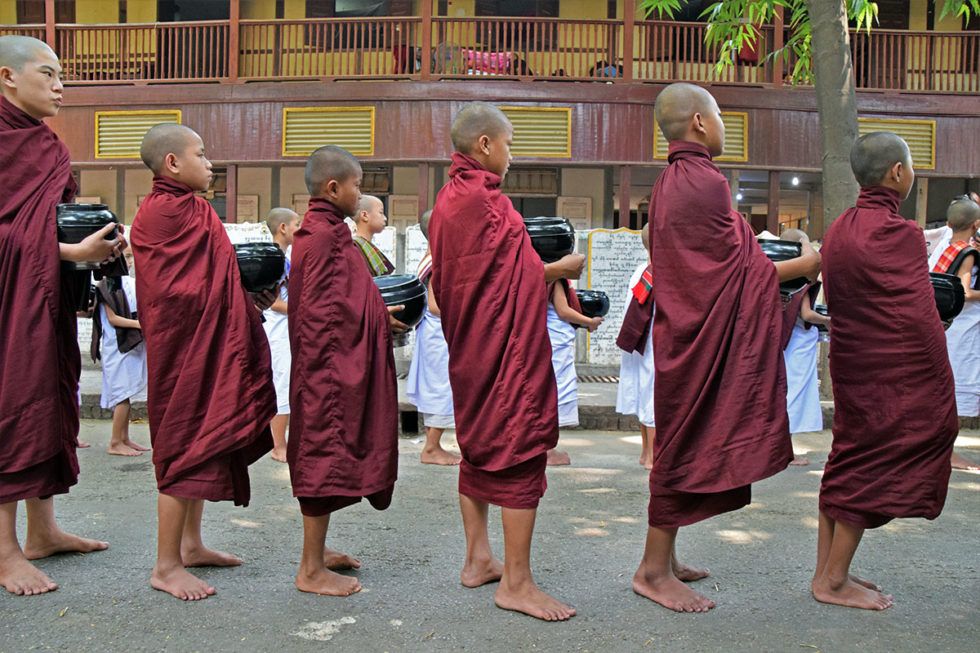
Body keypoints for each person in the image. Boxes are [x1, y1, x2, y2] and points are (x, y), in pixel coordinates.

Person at [632, 83, 821, 613]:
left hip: (688, 332)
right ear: (697, 121)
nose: (721, 124)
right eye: (717, 114)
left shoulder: (671, 181)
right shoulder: (704, 183)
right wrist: (805, 267)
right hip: (698, 338)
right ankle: (651, 569)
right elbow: (739, 275)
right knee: (683, 443)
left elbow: (698, 259)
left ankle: (664, 558)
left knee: (683, 439)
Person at [430, 102, 585, 621]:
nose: (513, 154)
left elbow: (467, 281)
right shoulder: (486, 202)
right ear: (485, 146)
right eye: (511, 143)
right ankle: (516, 583)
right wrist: (560, 267)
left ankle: (478, 559)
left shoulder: (450, 197)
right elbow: (510, 280)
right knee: (519, 451)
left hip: (472, 347)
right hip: (504, 351)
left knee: (478, 446)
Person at [130, 123, 278, 601]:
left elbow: (214, 274)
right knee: (182, 444)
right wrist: (227, 294)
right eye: (201, 153)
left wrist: (243, 294)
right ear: (172, 163)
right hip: (184, 349)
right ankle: (165, 564)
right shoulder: (158, 214)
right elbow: (173, 293)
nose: (210, 162)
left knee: (202, 441)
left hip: (207, 341)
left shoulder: (194, 208)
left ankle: (190, 545)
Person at [814, 131, 959, 610]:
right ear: (898, 172)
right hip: (892, 371)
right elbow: (916, 314)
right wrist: (935, 378)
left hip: (853, 362)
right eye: (912, 165)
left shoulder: (840, 227)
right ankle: (834, 580)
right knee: (878, 457)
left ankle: (828, 573)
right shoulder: (899, 232)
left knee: (848, 456)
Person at [0, 35, 115, 596]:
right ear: (7, 78)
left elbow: (48, 221)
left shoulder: (48, 148)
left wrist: (89, 250)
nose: (60, 85)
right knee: (11, 407)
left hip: (41, 300)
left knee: (45, 401)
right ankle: (4, 552)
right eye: (48, 74)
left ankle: (42, 532)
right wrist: (68, 253)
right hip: (5, 306)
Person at [287, 145, 405, 597]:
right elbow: (322, 316)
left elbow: (346, 299)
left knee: (330, 455)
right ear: (333, 188)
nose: (361, 193)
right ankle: (310, 570)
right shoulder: (320, 237)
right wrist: (374, 316)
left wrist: (377, 311)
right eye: (357, 185)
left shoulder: (329, 232)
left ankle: (318, 553)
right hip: (326, 372)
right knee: (322, 453)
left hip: (330, 364)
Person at [406, 210, 461, 466]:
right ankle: (431, 447)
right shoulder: (438, 262)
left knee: (438, 388)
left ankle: (433, 444)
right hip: (439, 333)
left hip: (434, 334)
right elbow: (436, 305)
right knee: (442, 388)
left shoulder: (429, 258)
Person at [929, 196, 980, 470]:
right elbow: (966, 291)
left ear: (949, 224)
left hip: (942, 326)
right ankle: (947, 453)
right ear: (976, 225)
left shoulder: (943, 248)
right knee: (957, 394)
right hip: (961, 332)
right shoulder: (967, 254)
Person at [778, 229, 831, 466]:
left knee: (783, 392)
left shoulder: (778, 271)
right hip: (798, 344)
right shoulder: (799, 277)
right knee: (794, 395)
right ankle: (786, 451)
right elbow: (807, 313)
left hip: (782, 341)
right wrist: (829, 320)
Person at [91, 252, 149, 457]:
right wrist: (140, 324)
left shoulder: (129, 283)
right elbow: (113, 318)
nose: (129, 261)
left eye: (130, 257)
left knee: (128, 392)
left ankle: (124, 438)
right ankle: (115, 442)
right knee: (122, 394)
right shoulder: (105, 285)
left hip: (131, 343)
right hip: (117, 345)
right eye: (125, 257)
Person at [545, 266, 603, 467]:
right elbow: (563, 311)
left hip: (551, 340)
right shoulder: (556, 277)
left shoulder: (541, 272)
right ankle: (547, 450)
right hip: (555, 343)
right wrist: (589, 321)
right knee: (556, 392)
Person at [616, 224, 655, 469]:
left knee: (644, 394)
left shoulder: (642, 269)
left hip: (639, 340)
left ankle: (645, 452)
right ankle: (652, 456)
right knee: (652, 397)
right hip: (651, 341)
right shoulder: (655, 271)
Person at [263, 207, 301, 463]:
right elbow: (274, 302)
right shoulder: (275, 259)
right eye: (297, 223)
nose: (300, 229)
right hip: (277, 329)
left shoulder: (284, 257)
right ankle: (278, 445)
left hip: (284, 328)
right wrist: (303, 310)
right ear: (283, 228)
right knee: (282, 384)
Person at [351, 194, 394, 277]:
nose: (385, 218)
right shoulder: (355, 249)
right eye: (381, 213)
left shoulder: (366, 246)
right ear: (365, 215)